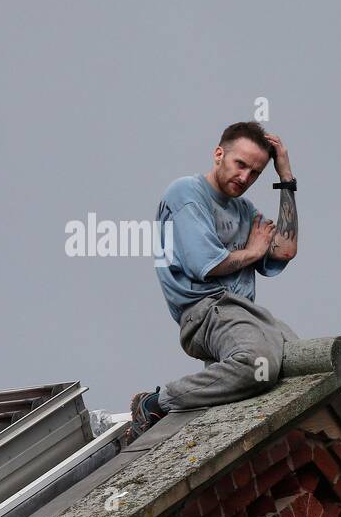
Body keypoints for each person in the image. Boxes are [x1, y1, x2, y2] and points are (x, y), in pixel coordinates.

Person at [124, 122, 300, 443]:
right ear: (219, 154)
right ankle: (156, 403)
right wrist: (254, 250)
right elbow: (209, 264)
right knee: (258, 365)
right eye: (240, 165)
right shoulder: (186, 193)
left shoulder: (244, 209)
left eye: (255, 173)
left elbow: (285, 250)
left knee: (307, 362)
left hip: (245, 313)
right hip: (207, 311)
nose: (245, 178)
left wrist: (286, 179)